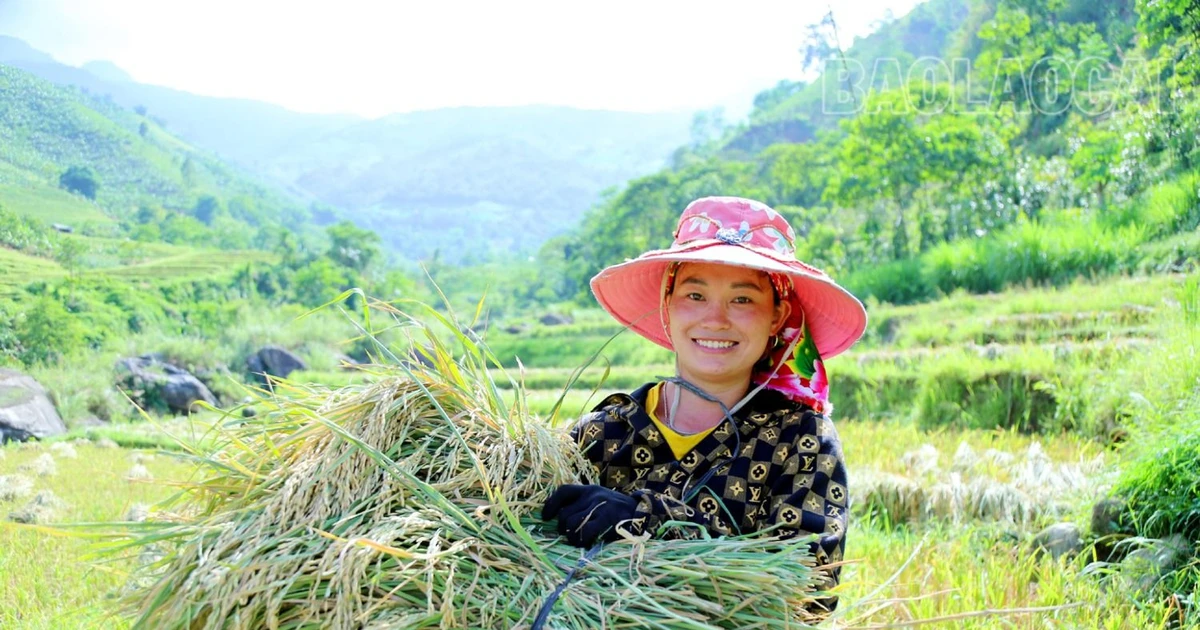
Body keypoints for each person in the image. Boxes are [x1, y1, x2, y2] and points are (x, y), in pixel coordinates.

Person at [541, 196, 867, 610]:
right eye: (695, 295)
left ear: (776, 316)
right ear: (667, 305)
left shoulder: (801, 439)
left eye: (742, 299)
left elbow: (807, 590)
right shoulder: (603, 433)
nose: (715, 319)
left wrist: (648, 522)